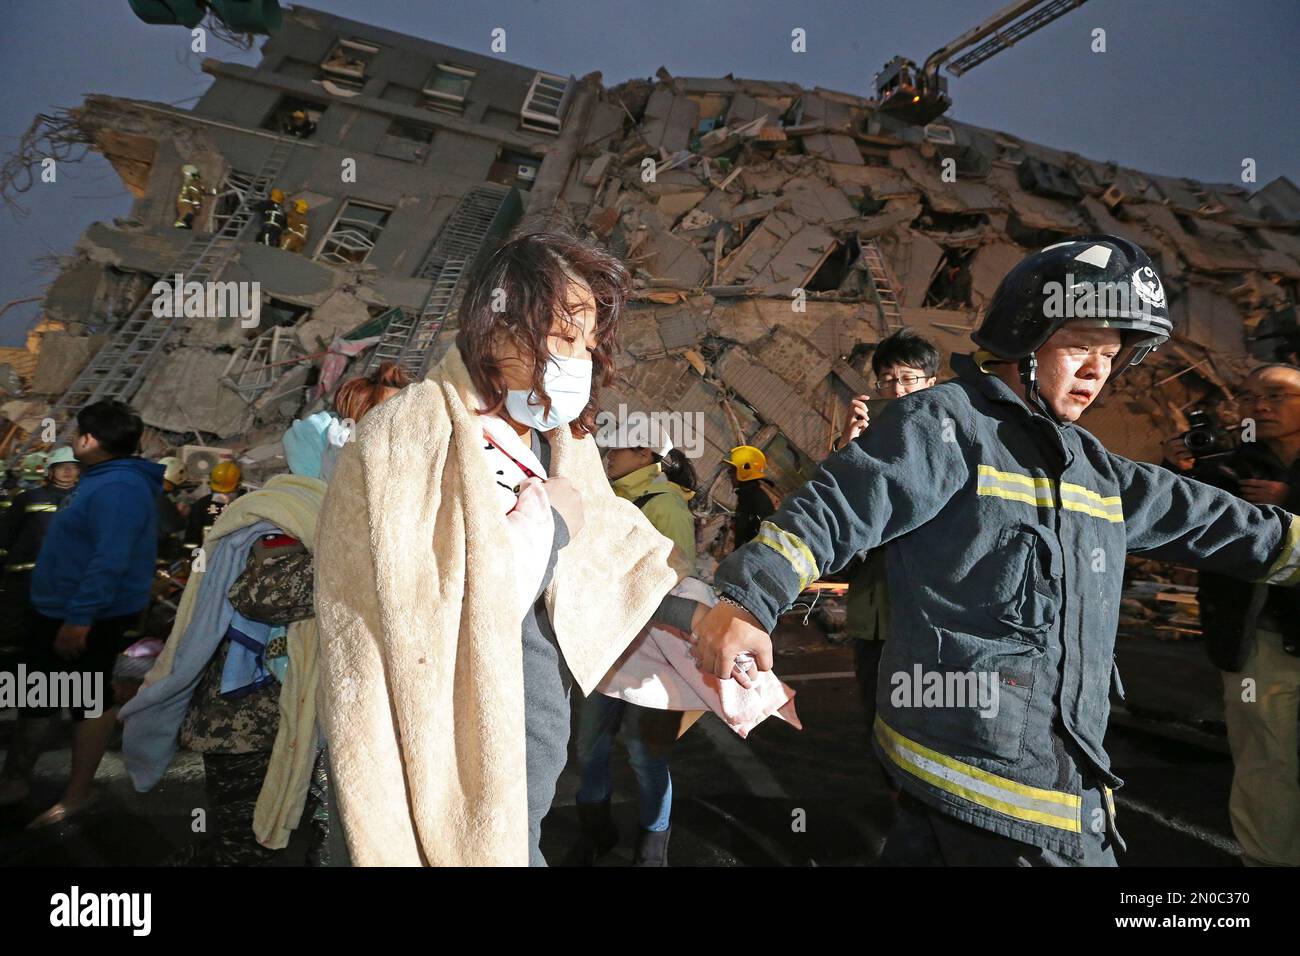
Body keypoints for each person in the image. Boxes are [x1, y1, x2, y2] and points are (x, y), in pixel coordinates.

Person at [694, 235, 1300, 866]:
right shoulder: (945, 425)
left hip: (983, 778)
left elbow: (1215, 520)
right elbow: (836, 507)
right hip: (1014, 792)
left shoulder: (1092, 469)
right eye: (1080, 347)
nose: (1098, 370)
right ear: (1024, 339)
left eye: (1111, 355)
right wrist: (748, 599)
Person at [314, 228, 708, 866]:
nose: (578, 359)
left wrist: (708, 617)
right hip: (441, 757)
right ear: (493, 327)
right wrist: (550, 523)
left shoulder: (558, 447)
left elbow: (615, 558)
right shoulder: (408, 436)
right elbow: (425, 607)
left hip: (524, 756)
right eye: (560, 336)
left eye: (586, 342)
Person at [0, 401, 162, 825]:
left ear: (90, 440)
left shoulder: (118, 487)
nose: (73, 442)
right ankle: (15, 781)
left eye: (77, 434)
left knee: (85, 699)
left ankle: (77, 793)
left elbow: (110, 559)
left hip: (81, 616)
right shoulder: (104, 480)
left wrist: (79, 619)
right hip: (60, 609)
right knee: (38, 692)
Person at [567, 431, 699, 866]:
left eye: (617, 448)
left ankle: (651, 850)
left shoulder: (665, 505)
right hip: (605, 647)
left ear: (645, 453)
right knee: (589, 746)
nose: (608, 456)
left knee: (646, 755)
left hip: (648, 654)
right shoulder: (607, 499)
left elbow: (678, 577)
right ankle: (596, 833)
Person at [1195, 363, 1300, 867]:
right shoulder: (1227, 469)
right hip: (1259, 641)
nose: (1261, 406)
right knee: (1266, 763)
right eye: (1250, 396)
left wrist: (1291, 502)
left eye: (1277, 395)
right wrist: (1181, 473)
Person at [830, 330, 939, 734]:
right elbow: (835, 509)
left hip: (928, 610)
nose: (897, 390)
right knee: (876, 710)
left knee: (926, 717)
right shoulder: (865, 442)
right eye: (888, 380)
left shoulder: (953, 440)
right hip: (874, 606)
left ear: (932, 382)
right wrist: (848, 443)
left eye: (909, 378)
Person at [0, 446, 80, 658]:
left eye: (73, 467)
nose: (68, 472)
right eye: (62, 467)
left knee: (51, 623)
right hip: (24, 572)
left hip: (65, 573)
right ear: (50, 471)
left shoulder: (85, 499)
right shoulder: (28, 498)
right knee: (15, 621)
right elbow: (7, 532)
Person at [726, 444, 780, 548]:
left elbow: (745, 531)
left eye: (731, 471)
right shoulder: (750, 494)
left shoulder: (751, 497)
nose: (729, 475)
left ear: (743, 473)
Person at [183, 460, 243, 553]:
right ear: (238, 483)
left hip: (207, 558)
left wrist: (191, 558)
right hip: (237, 557)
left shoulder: (200, 505)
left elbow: (192, 538)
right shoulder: (245, 503)